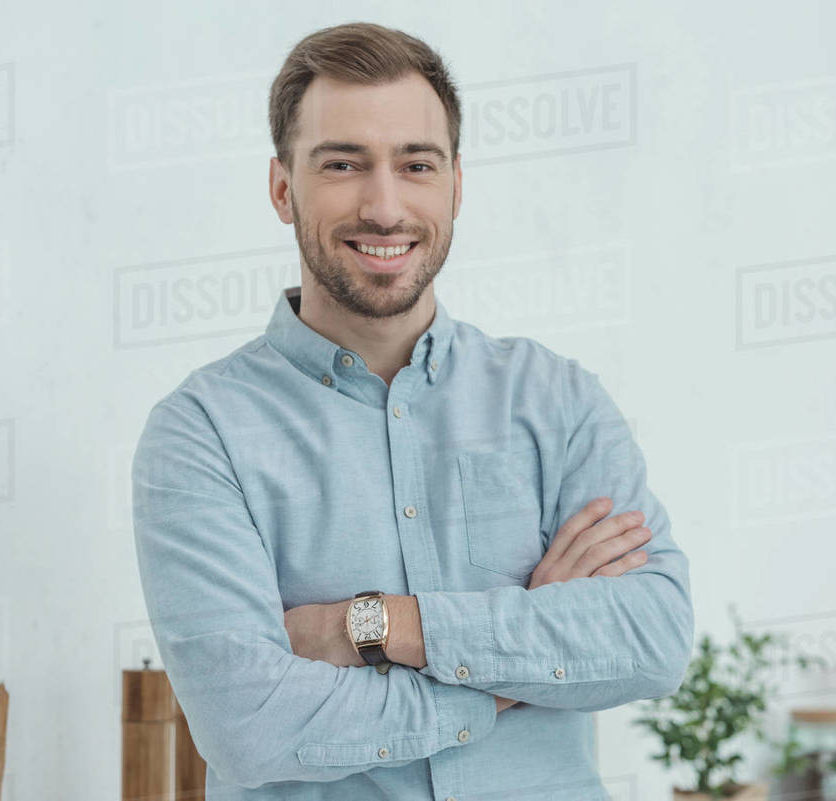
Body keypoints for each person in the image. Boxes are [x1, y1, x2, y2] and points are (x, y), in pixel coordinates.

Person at [131, 21, 694, 801]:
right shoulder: (201, 434)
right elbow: (248, 725)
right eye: (343, 163)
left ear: (456, 183)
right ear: (282, 187)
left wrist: (374, 624)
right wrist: (513, 666)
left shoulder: (558, 400)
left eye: (416, 164)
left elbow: (652, 638)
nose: (385, 205)